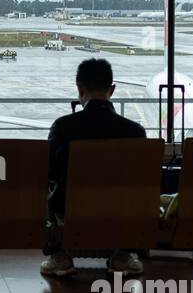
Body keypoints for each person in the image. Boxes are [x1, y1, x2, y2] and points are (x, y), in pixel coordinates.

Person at [41, 58, 148, 278]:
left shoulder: (63, 127)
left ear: (80, 89)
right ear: (112, 89)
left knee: (45, 192)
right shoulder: (135, 131)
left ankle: (58, 255)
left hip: (70, 211)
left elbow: (48, 172)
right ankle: (122, 255)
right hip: (121, 212)